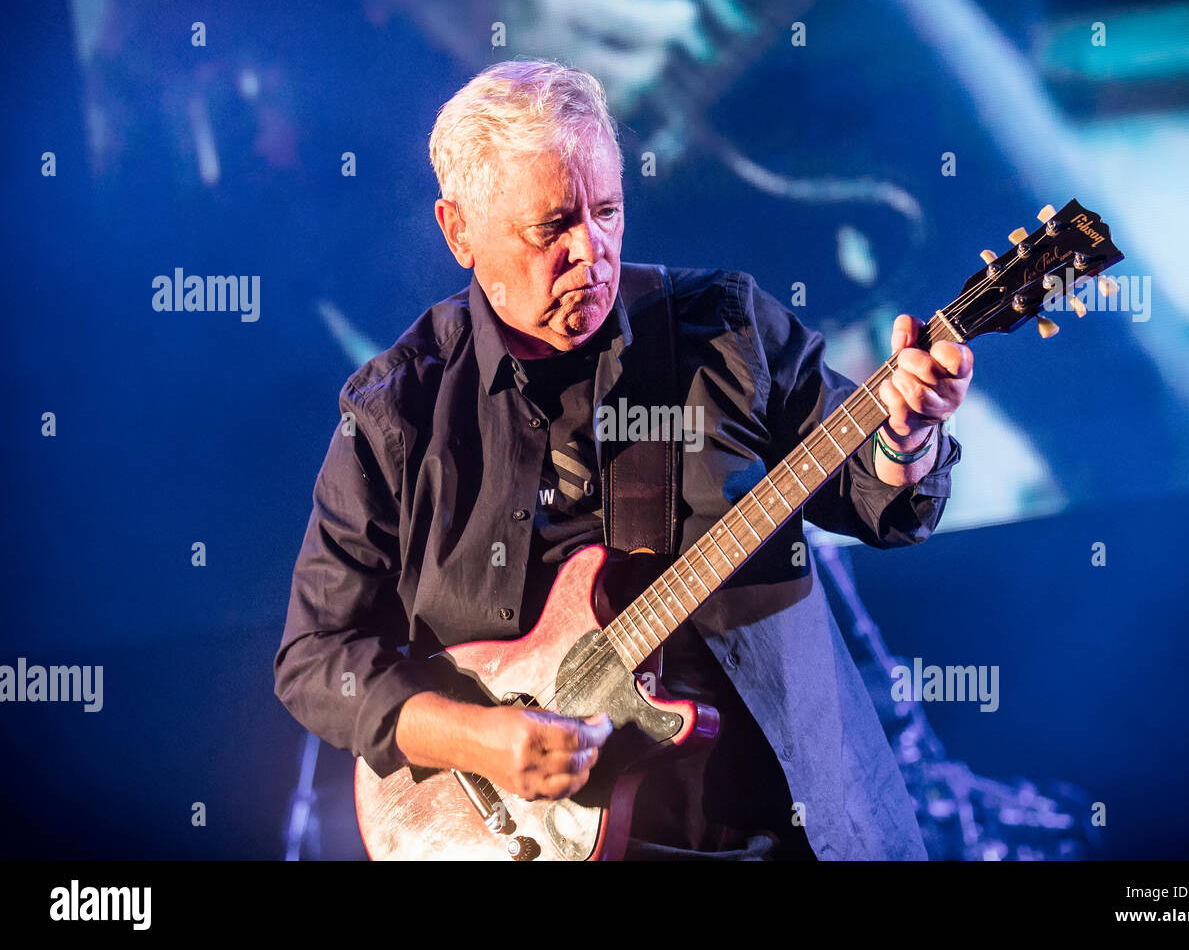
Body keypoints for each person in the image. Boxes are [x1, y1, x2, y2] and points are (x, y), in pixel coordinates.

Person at [274, 59, 973, 860]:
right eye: (552, 227)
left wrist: (906, 433)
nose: (593, 250)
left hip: (776, 830)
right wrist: (476, 738)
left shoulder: (723, 329)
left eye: (607, 211)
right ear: (459, 229)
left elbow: (875, 498)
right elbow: (317, 656)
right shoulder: (397, 411)